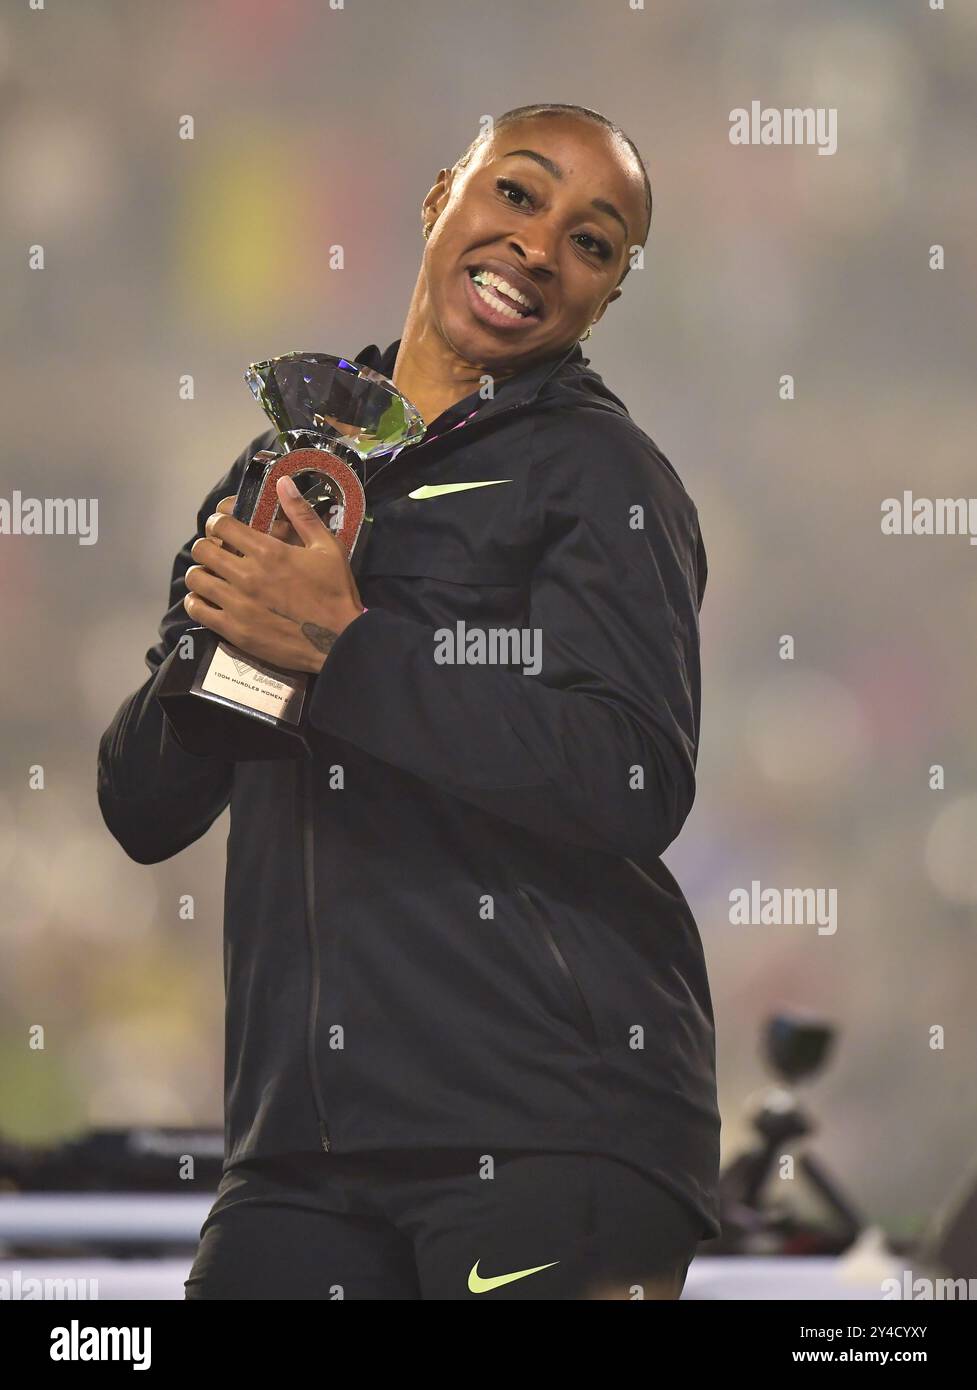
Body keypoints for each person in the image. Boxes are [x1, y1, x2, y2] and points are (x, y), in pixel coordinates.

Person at [97, 102, 721, 1300]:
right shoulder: (284, 459)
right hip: (303, 1145)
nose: (540, 248)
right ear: (443, 194)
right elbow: (142, 809)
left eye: (593, 243)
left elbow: (631, 774)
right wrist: (224, 645)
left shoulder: (601, 473)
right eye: (519, 195)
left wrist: (346, 646)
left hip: (551, 1128)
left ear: (604, 297)